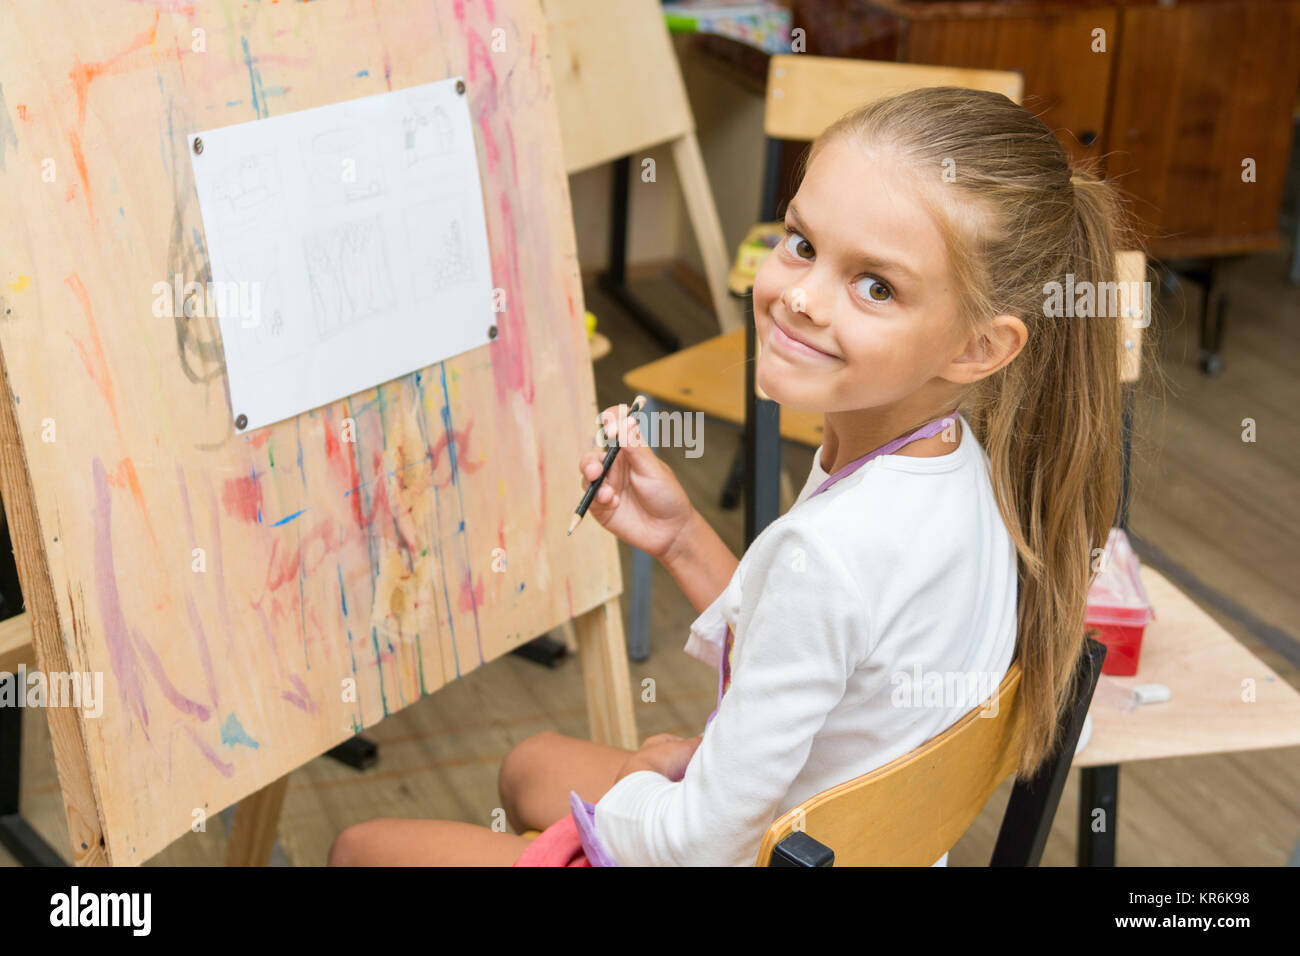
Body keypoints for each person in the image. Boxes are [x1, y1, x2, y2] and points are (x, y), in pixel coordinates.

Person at [329, 86, 1133, 867]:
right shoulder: (971, 477)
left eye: (876, 285)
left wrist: (640, 785)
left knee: (358, 848)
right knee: (532, 767)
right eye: (803, 244)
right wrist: (682, 540)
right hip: (855, 842)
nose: (803, 299)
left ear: (977, 348)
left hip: (740, 848)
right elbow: (830, 646)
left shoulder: (831, 554)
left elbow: (696, 844)